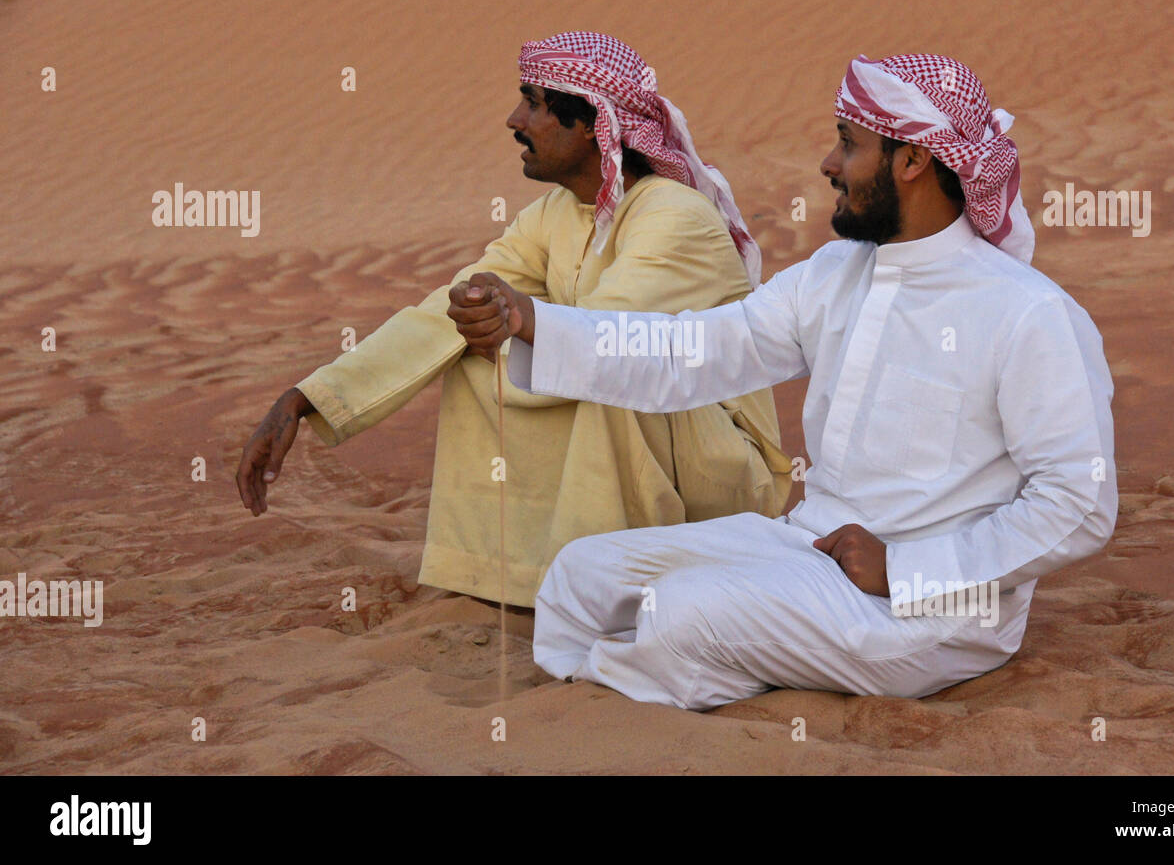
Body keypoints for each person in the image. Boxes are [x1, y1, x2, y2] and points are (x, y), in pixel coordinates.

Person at [457, 53, 1118, 708]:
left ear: (912, 162)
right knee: (580, 575)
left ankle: (629, 696)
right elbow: (694, 352)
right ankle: (678, 667)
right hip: (808, 546)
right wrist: (534, 321)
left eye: (848, 145)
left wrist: (906, 570)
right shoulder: (834, 273)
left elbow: (1079, 501)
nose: (830, 165)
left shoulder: (1029, 313)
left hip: (930, 612)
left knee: (683, 611)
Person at [235, 32, 791, 608]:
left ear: (589, 123)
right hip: (651, 437)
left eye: (533, 102)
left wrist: (522, 317)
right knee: (470, 352)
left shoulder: (675, 216)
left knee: (614, 380)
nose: (513, 119)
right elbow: (444, 312)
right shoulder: (553, 215)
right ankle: (504, 577)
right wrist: (306, 398)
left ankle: (598, 597)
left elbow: (611, 341)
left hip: (725, 474)